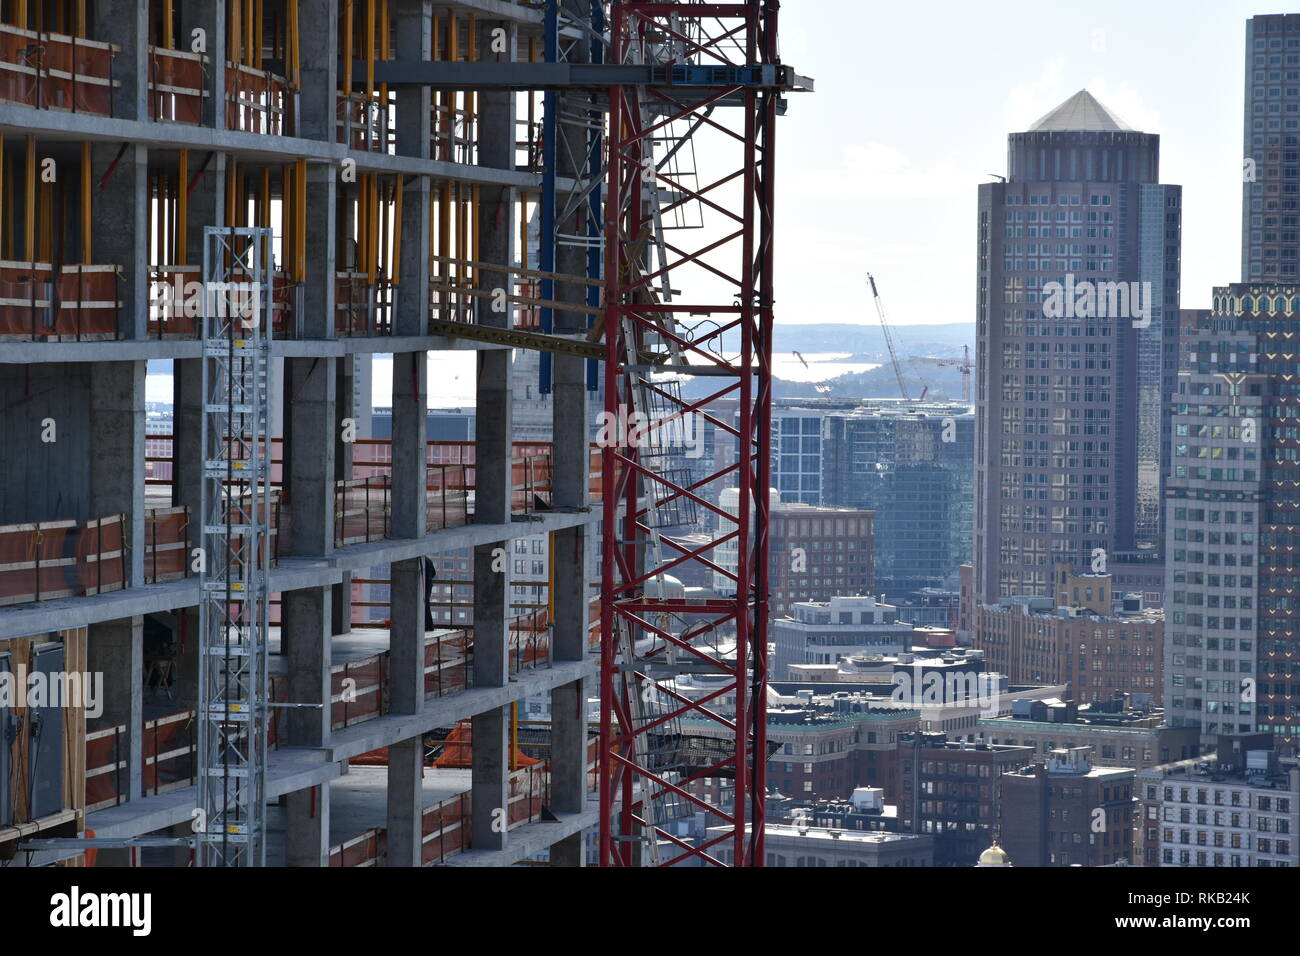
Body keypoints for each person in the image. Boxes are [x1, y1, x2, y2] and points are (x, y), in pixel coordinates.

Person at [422, 555, 437, 631]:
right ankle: (429, 626)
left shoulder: (421, 561)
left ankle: (426, 626)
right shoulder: (429, 560)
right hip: (429, 585)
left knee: (424, 606)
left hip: (423, 585)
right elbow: (434, 573)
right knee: (426, 605)